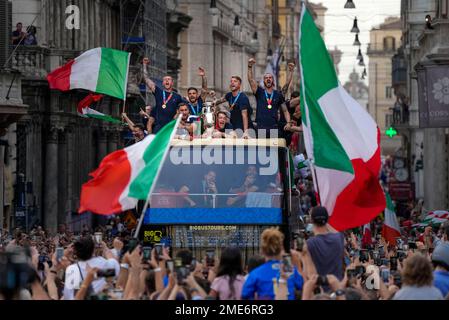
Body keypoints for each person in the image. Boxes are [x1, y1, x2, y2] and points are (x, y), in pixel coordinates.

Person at [241, 228, 303, 300]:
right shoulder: (290, 270)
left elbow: (245, 295)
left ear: (262, 251)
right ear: (281, 249)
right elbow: (301, 285)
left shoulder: (255, 274)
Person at [247, 58, 292, 138]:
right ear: (264, 81)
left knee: (273, 149)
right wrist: (250, 67)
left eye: (270, 77)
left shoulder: (278, 94)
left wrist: (288, 122)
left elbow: (285, 110)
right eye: (266, 78)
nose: (268, 79)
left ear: (273, 81)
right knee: (261, 149)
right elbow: (251, 80)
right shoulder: (259, 92)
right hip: (261, 127)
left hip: (273, 127)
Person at [142, 57, 186, 134]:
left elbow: (184, 108)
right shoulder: (158, 92)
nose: (166, 81)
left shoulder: (177, 96)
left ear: (172, 83)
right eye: (165, 80)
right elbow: (146, 79)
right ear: (163, 83)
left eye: (169, 79)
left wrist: (177, 116)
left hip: (171, 127)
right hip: (158, 127)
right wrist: (144, 65)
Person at [302, 206, 345, 280]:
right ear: (327, 219)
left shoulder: (309, 244)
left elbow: (309, 275)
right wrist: (325, 221)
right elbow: (336, 232)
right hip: (337, 287)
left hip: (320, 289)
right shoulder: (339, 238)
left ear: (311, 220)